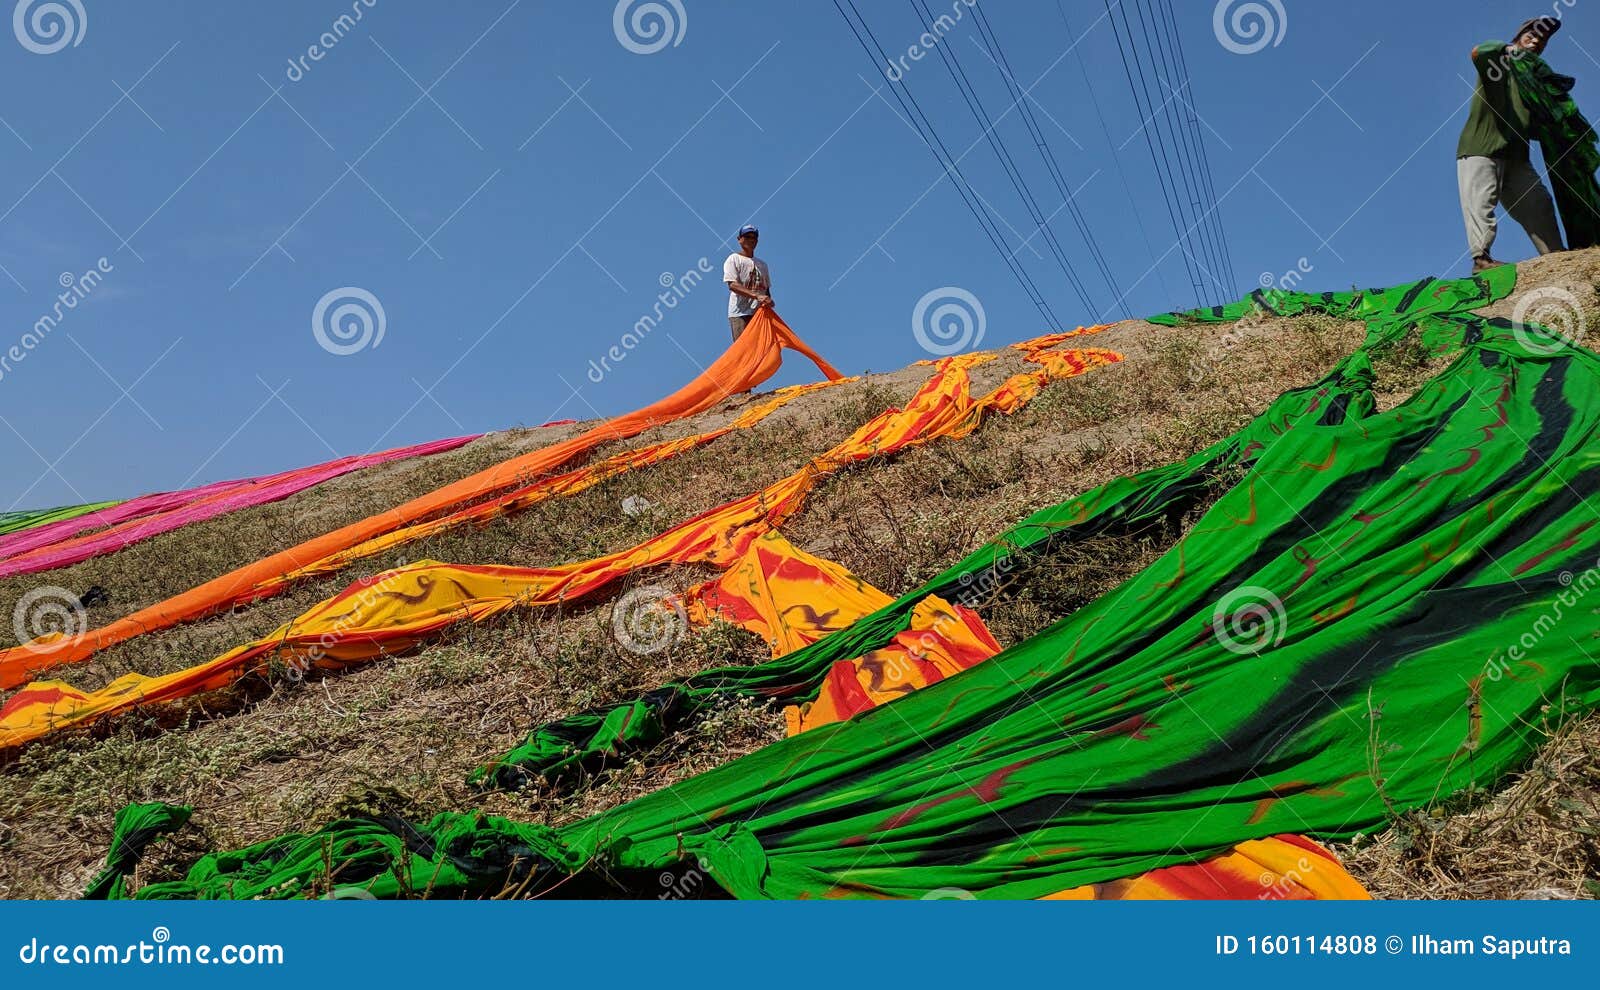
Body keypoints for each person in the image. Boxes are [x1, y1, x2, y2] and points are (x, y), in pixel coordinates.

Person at [1457, 16, 1567, 272]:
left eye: (1543, 41)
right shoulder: (1499, 62)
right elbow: (1478, 52)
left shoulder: (1532, 84)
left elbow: (1540, 126)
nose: (1538, 41)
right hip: (1482, 147)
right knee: (1481, 201)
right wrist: (1507, 49)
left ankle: (1558, 261)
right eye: (1533, 35)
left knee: (1540, 203)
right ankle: (1481, 260)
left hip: (1517, 157)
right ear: (1518, 37)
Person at [724, 224, 772, 340]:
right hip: (740, 313)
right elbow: (732, 285)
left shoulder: (762, 265)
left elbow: (766, 290)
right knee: (744, 349)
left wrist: (768, 302)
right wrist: (756, 296)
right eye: (747, 237)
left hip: (758, 314)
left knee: (761, 350)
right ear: (739, 239)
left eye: (753, 237)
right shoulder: (734, 259)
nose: (751, 240)